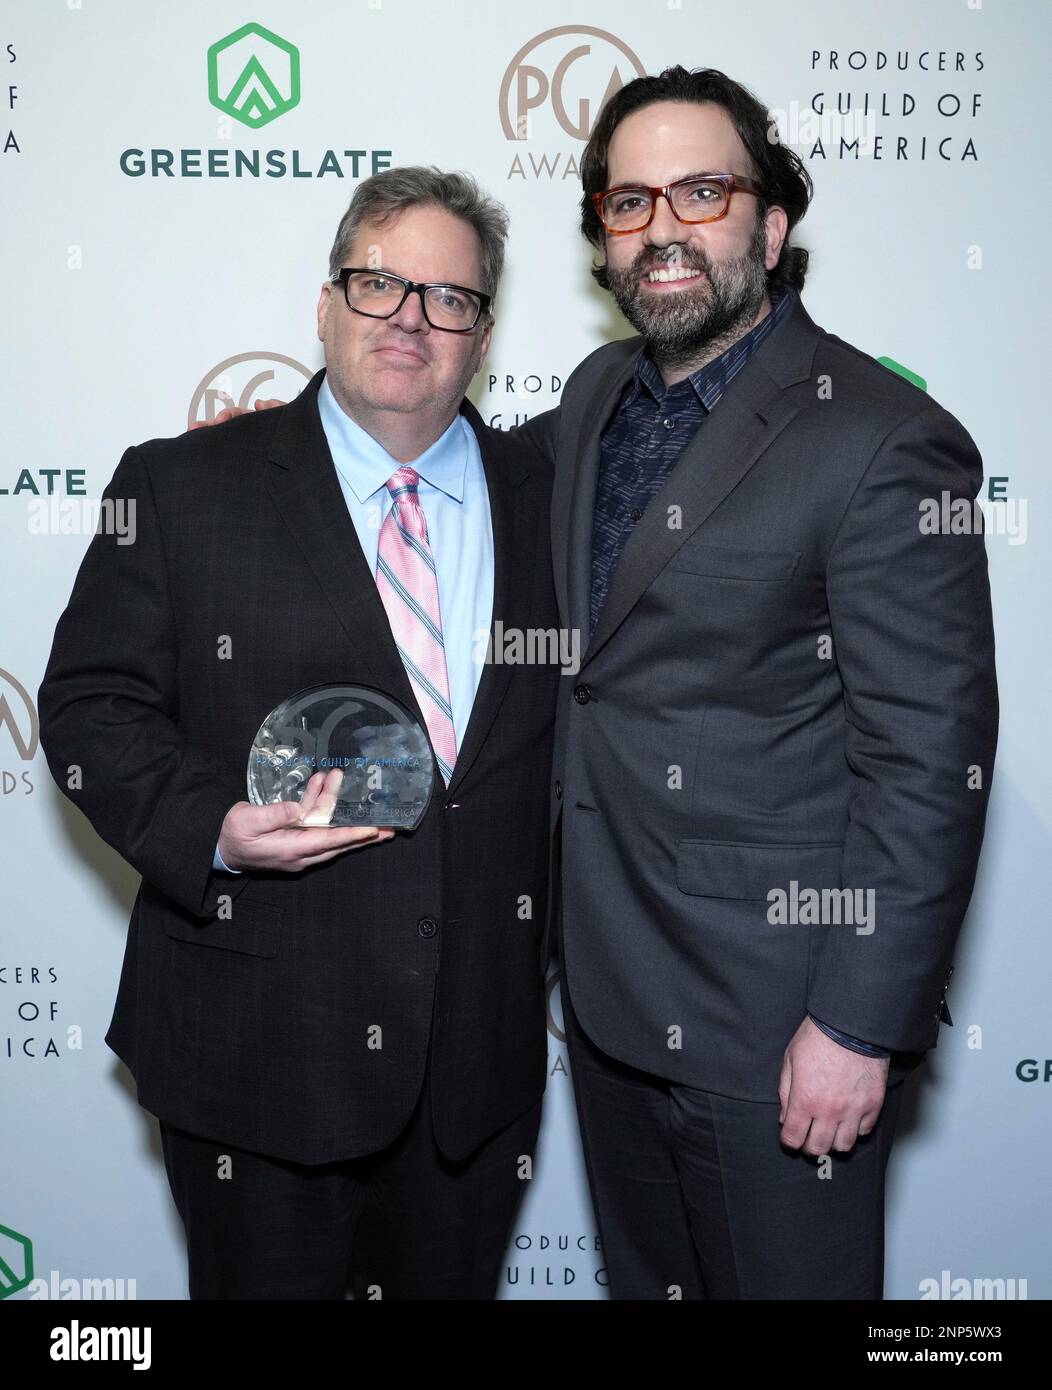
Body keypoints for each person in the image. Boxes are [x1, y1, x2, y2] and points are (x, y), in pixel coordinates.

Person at [37, 167, 561, 1300]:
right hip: (256, 1056)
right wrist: (213, 824)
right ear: (325, 302)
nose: (409, 320)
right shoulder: (183, 487)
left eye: (448, 298)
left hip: (473, 1076)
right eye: (378, 284)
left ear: (483, 331)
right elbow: (86, 708)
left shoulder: (552, 496)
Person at [520, 66, 999, 1299]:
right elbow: (453, 470)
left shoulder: (881, 437)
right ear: (600, 240)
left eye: (701, 190)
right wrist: (289, 446)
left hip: (778, 1027)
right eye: (629, 202)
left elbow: (926, 760)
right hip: (613, 999)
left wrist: (854, 1025)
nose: (662, 227)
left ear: (771, 226)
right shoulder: (591, 398)